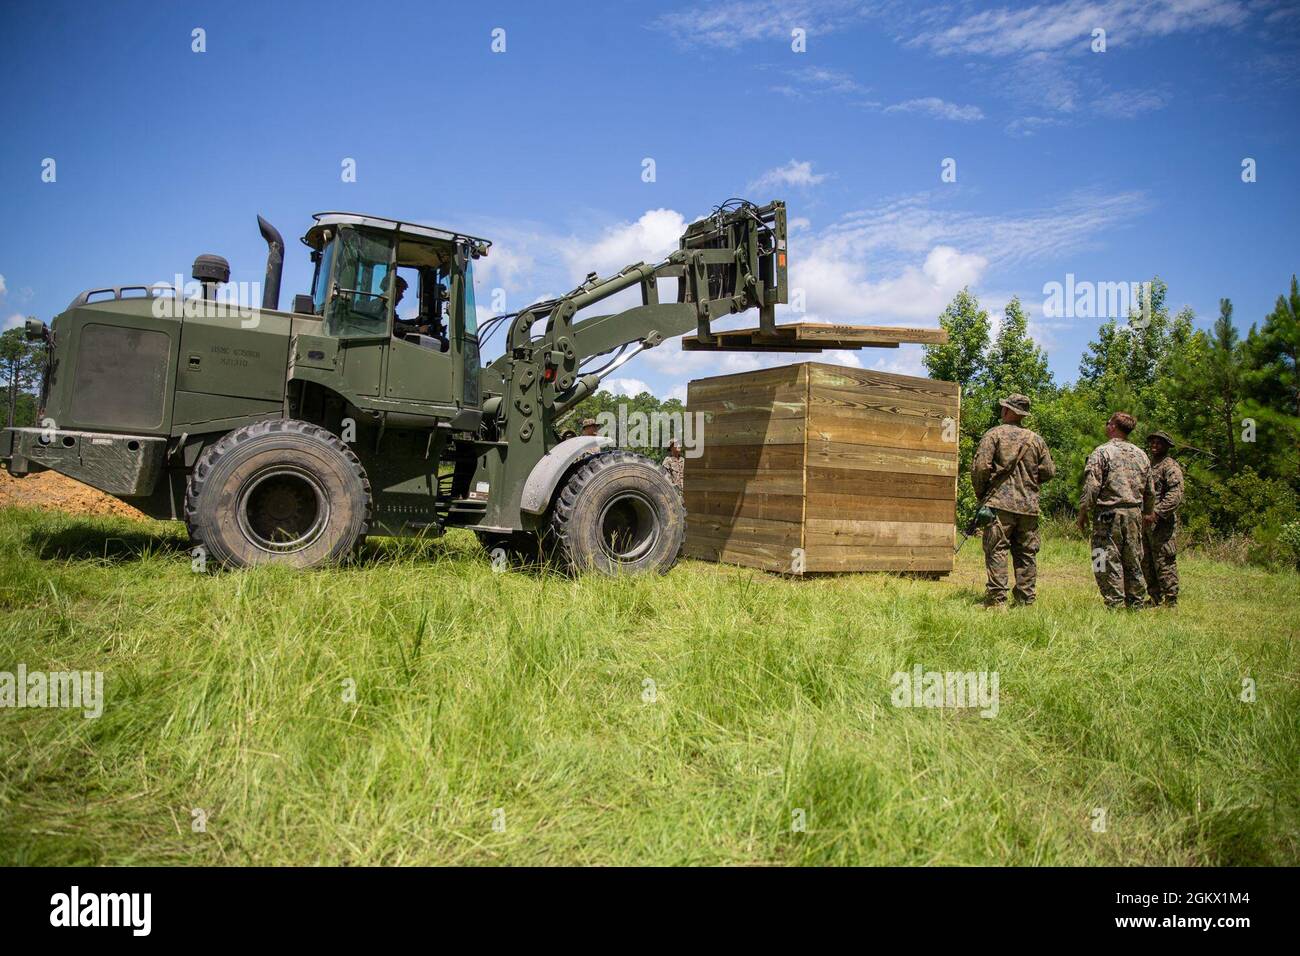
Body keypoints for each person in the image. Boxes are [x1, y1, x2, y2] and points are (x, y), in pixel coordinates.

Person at [971, 393, 1057, 609]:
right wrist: (1029, 482)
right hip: (1029, 507)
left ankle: (997, 600)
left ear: (1008, 411)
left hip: (999, 505)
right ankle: (1025, 601)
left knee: (997, 549)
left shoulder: (994, 435)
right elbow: (1049, 471)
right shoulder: (1036, 440)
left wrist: (981, 493)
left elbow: (981, 467)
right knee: (1026, 553)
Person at [1077, 412, 1155, 610]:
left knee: (1101, 556)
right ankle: (1136, 602)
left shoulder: (1102, 452)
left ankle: (1114, 603)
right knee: (1133, 558)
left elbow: (1092, 486)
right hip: (1135, 513)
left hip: (1108, 512)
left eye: (1108, 422)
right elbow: (1150, 490)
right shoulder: (1141, 454)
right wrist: (1147, 513)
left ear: (1113, 426)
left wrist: (1083, 512)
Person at [1141, 430, 1184, 608]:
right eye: (1152, 442)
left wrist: (1157, 513)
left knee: (1164, 560)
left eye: (1159, 442)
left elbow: (1175, 495)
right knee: (1147, 561)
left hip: (1162, 523)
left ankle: (1170, 599)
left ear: (1167, 446)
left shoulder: (1170, 466)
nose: (1154, 445)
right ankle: (1154, 597)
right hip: (1145, 522)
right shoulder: (1149, 465)